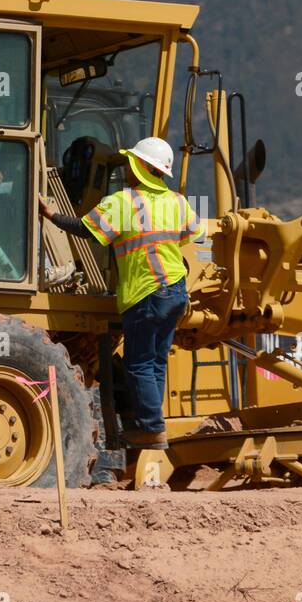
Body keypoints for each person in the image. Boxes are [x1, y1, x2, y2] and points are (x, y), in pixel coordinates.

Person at [38, 137, 203, 449]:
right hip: (176, 291)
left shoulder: (124, 202)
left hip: (145, 291)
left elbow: (87, 230)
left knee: (138, 364)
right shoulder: (178, 202)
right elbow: (192, 232)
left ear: (140, 167)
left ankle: (152, 430)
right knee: (155, 362)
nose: (127, 167)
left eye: (131, 162)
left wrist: (51, 215)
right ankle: (153, 426)